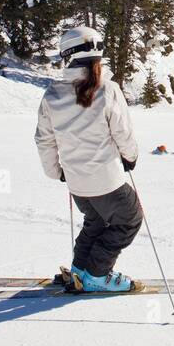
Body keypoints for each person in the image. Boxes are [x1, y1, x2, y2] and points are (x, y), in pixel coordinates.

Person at [36, 26, 143, 293]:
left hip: (76, 183)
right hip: (108, 180)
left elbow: (44, 140)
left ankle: (80, 270)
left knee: (95, 222)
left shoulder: (52, 94)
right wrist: (130, 157)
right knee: (129, 219)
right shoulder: (107, 89)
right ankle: (97, 274)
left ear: (67, 54)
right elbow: (123, 132)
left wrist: (56, 172)